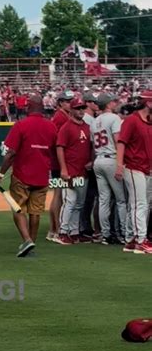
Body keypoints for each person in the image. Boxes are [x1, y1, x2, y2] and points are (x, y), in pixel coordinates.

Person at [0, 94, 58, 257]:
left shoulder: (21, 125)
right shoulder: (51, 127)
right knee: (35, 212)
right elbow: (55, 151)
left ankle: (27, 240)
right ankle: (31, 244)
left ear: (29, 107)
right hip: (42, 176)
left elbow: (11, 153)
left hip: (22, 175)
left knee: (17, 208)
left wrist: (0, 174)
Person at [117, 90, 152, 255]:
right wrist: (118, 166)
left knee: (136, 204)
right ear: (148, 103)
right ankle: (140, 241)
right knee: (140, 204)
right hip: (132, 166)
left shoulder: (148, 122)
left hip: (145, 167)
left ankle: (131, 239)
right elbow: (121, 143)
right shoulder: (132, 120)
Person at [55, 95, 93, 245]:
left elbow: (90, 147)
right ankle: (63, 232)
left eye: (82, 108)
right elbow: (60, 148)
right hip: (70, 171)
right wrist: (63, 169)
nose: (81, 111)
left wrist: (92, 160)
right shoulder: (66, 127)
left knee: (79, 204)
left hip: (83, 171)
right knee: (69, 202)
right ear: (71, 110)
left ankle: (74, 231)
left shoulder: (86, 127)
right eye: (78, 108)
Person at [92, 93, 127, 244]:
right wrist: (120, 164)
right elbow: (118, 141)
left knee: (104, 200)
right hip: (111, 159)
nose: (114, 103)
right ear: (108, 104)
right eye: (112, 102)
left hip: (98, 160)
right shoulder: (114, 118)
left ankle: (105, 234)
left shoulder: (94, 121)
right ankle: (125, 233)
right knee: (121, 200)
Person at [47, 90, 74, 241]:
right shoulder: (60, 117)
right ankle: (55, 229)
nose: (70, 103)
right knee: (58, 196)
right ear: (61, 103)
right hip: (58, 163)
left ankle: (53, 229)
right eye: (67, 101)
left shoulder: (63, 116)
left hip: (57, 162)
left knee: (59, 195)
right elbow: (58, 142)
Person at [80, 92, 100, 240]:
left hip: (91, 162)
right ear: (87, 103)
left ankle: (85, 226)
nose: (96, 104)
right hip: (87, 163)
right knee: (87, 197)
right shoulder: (87, 119)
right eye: (93, 102)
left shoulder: (92, 119)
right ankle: (84, 227)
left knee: (89, 197)